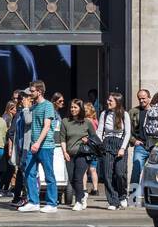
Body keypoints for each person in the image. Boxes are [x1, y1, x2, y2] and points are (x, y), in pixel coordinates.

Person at [19, 80, 58, 213]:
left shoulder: (48, 106)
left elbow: (47, 126)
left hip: (45, 146)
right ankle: (33, 202)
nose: (30, 93)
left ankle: (52, 204)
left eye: (32, 91)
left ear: (40, 91)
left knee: (49, 175)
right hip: (33, 146)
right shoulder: (34, 107)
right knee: (29, 173)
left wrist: (37, 143)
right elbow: (26, 120)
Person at [61, 99, 99, 211]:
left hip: (82, 154)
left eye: (75, 107)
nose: (73, 109)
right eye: (71, 107)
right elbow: (62, 138)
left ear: (80, 109)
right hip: (69, 154)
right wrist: (64, 152)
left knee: (78, 177)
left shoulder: (87, 122)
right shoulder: (65, 121)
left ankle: (78, 200)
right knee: (72, 178)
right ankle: (82, 196)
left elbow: (94, 137)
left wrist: (87, 140)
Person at [98, 92, 132, 209]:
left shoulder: (124, 114)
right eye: (108, 100)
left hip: (120, 143)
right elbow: (99, 131)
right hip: (107, 143)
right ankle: (113, 201)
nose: (108, 102)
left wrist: (123, 148)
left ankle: (122, 195)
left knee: (119, 173)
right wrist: (99, 144)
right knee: (107, 174)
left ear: (117, 102)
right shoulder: (104, 114)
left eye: (110, 101)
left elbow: (128, 133)